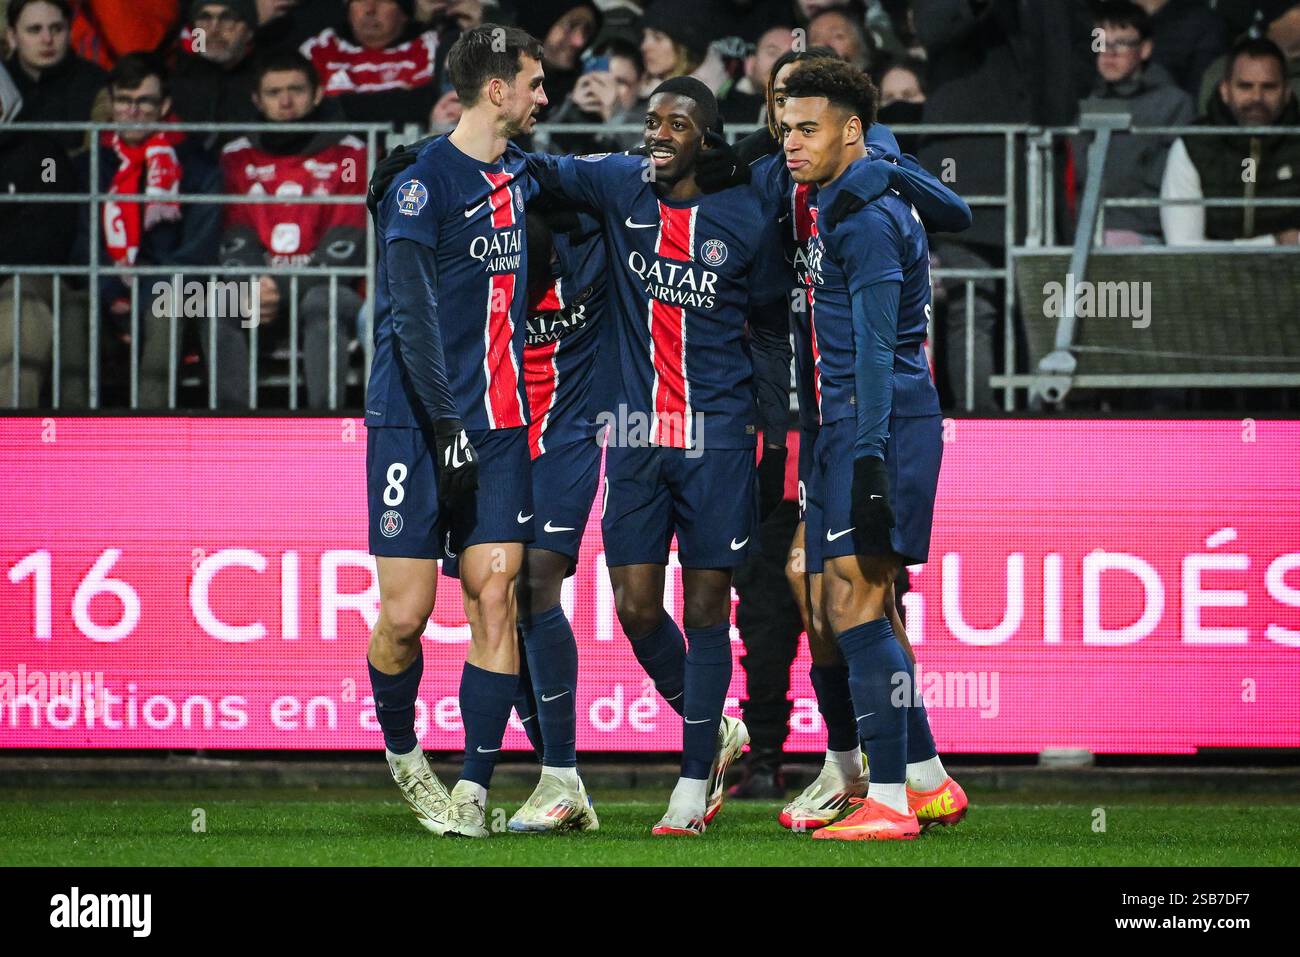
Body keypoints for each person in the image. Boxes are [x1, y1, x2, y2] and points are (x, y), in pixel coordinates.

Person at [522, 77, 796, 836]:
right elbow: (537, 168)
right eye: (652, 120)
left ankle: (690, 778)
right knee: (638, 607)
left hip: (717, 437)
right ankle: (715, 731)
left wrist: (775, 432)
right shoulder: (620, 182)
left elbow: (771, 327)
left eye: (677, 122)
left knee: (708, 605)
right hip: (637, 438)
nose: (659, 132)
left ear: (706, 138)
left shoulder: (744, 216)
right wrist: (435, 152)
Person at [716, 46, 971, 828]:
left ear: (853, 129)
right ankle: (925, 776)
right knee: (841, 602)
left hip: (878, 428)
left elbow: (869, 356)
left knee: (857, 605)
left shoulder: (865, 219)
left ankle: (889, 799)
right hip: (834, 429)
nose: (789, 142)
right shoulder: (829, 190)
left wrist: (864, 464)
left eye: (805, 128)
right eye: (783, 126)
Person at [364, 23, 547, 838]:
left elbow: (609, 187)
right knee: (404, 618)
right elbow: (409, 314)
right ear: (498, 89)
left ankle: (473, 789)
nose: (547, 97)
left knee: (494, 595)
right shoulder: (420, 182)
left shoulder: (526, 175)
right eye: (536, 83)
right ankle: (406, 754)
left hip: (500, 424)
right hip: (413, 423)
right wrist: (444, 425)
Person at [214, 50, 366, 408]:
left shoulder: (349, 154)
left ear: (316, 94)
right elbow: (232, 234)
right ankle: (228, 433)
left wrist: (275, 288)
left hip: (326, 288)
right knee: (219, 303)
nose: (285, 101)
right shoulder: (235, 155)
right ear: (256, 99)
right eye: (273, 92)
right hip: (256, 289)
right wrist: (250, 285)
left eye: (296, 90)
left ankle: (325, 426)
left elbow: (346, 243)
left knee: (323, 301)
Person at [73, 52, 221, 408]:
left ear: (164, 104)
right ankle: (66, 439)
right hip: (105, 294)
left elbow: (199, 250)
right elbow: (81, 242)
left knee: (163, 307)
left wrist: (142, 292)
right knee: (70, 313)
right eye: (124, 100)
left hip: (173, 297)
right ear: (110, 104)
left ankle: (149, 435)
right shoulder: (89, 166)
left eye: (145, 101)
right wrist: (112, 293)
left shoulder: (198, 164)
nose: (134, 110)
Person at [0, 58, 89, 407]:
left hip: (28, 279)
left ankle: (8, 438)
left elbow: (47, 236)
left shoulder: (44, 156)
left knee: (22, 311)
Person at [1075, 1, 1195, 246]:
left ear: (1145, 49)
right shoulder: (1078, 101)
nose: (1110, 52)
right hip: (1079, 232)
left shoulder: (1174, 105)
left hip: (1146, 234)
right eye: (1101, 42)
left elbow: (1168, 185)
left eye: (1122, 43)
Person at [1161, 36, 1300, 245]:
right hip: (1209, 276)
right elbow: (1183, 247)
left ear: (1287, 92)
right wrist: (1273, 241)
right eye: (1245, 86)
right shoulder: (1193, 146)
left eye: (1269, 87)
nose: (1257, 98)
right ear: (1225, 90)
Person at [300, 0, 443, 128]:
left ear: (404, 13)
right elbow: (303, 109)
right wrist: (399, 101)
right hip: (332, 154)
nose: (369, 9)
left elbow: (427, 103)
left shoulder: (433, 45)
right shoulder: (319, 48)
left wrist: (341, 105)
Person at [5, 0, 107, 152]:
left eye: (57, 29)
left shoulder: (97, 82)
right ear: (12, 37)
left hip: (72, 173)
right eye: (34, 30)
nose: (47, 39)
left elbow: (96, 156)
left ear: (70, 32)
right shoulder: (1, 80)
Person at [169, 0, 262, 142]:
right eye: (205, 18)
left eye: (227, 18)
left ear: (249, 32)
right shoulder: (173, 82)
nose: (214, 29)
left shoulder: (266, 81)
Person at [547, 37, 646, 153]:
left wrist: (613, 117)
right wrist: (571, 111)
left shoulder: (651, 124)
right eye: (600, 81)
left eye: (620, 82)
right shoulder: (561, 108)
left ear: (641, 82)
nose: (609, 89)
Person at [718, 23, 793, 127]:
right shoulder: (717, 115)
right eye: (772, 52)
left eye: (791, 55)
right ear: (750, 64)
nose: (781, 62)